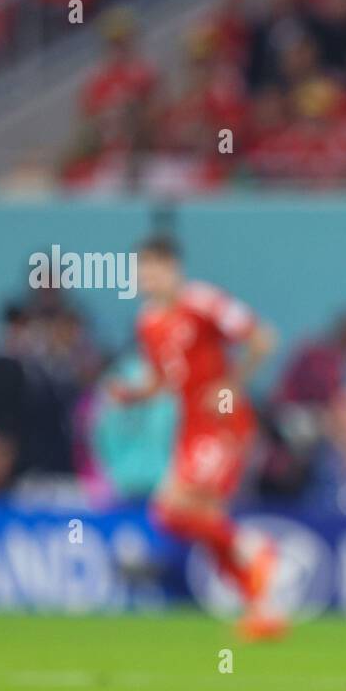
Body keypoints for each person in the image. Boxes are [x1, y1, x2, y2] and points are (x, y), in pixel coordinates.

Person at [107, 235, 283, 640]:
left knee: (170, 510)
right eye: (142, 269)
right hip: (191, 426)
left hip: (222, 423)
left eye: (155, 268)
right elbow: (163, 380)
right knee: (201, 519)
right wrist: (132, 395)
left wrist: (231, 384)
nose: (147, 277)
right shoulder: (148, 321)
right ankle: (263, 609)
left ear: (174, 269)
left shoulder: (202, 301)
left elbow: (263, 339)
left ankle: (255, 547)